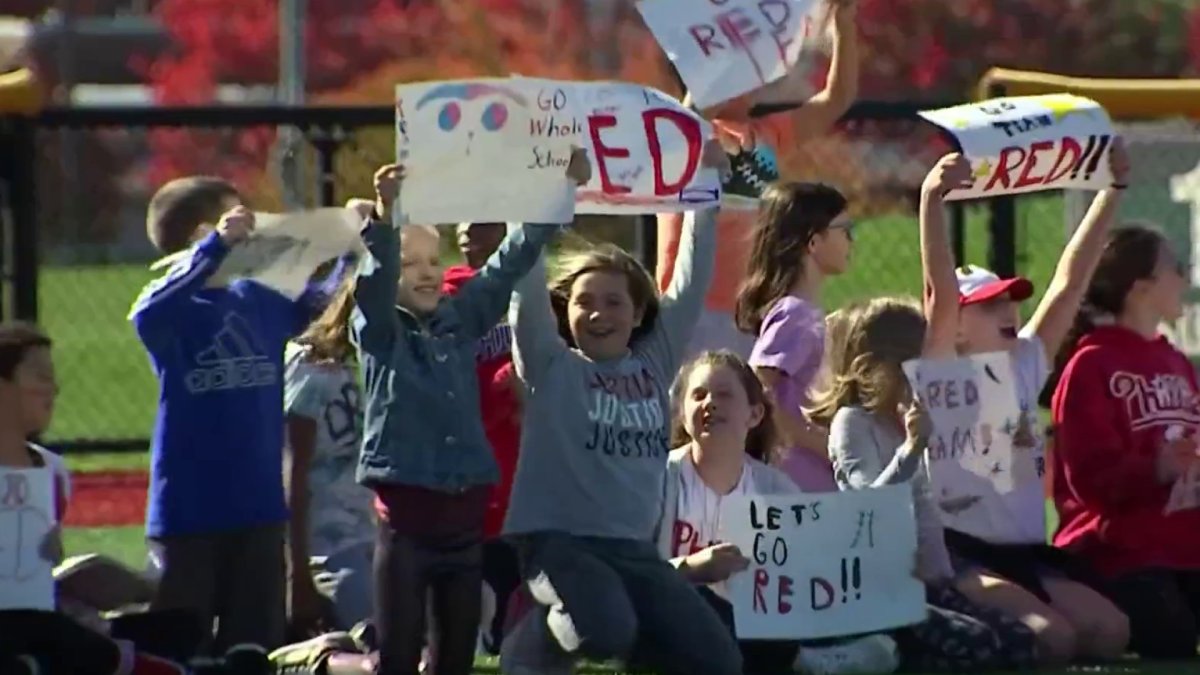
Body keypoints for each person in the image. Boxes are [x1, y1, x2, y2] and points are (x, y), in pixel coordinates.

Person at [498, 141, 742, 675]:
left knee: (717, 660)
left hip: (635, 552)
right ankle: (533, 622)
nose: (599, 312)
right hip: (558, 545)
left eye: (614, 302)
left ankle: (594, 621)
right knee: (603, 634)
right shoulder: (549, 363)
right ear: (569, 312)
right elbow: (526, 284)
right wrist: (541, 197)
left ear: (637, 315)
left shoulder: (653, 364)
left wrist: (704, 190)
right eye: (586, 301)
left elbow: (691, 278)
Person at [354, 153, 589, 675]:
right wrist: (387, 217)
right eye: (411, 265)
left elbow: (513, 256)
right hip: (408, 526)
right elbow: (372, 287)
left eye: (433, 262)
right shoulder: (381, 335)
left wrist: (560, 190)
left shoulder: (461, 317)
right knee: (397, 657)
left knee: (454, 658)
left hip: (465, 524)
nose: (427, 273)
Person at [919, 150, 1132, 665]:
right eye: (990, 303)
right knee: (1053, 638)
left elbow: (1070, 282)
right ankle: (940, 612)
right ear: (958, 323)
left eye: (1010, 299)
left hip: (1024, 554)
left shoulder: (1023, 364)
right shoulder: (942, 369)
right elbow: (939, 295)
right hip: (963, 552)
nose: (1009, 309)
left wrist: (1112, 193)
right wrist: (930, 198)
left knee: (1111, 630)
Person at [129, 176, 349, 661]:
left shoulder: (257, 298)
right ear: (205, 231)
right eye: (240, 218)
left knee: (253, 649)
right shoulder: (171, 308)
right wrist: (215, 247)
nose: (252, 230)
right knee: (183, 649)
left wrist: (359, 241)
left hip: (259, 510)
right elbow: (146, 313)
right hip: (190, 515)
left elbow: (326, 304)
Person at [812, 296, 1037, 672]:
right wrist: (912, 449)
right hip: (881, 586)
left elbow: (925, 507)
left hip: (923, 582)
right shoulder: (852, 423)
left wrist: (942, 575)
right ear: (880, 367)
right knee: (978, 646)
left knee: (1020, 644)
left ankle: (893, 652)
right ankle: (880, 651)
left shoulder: (900, 420)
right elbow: (867, 503)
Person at [658, 350, 900, 675]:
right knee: (698, 601)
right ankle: (812, 663)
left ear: (754, 414)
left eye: (724, 395)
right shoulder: (660, 479)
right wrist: (691, 567)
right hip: (682, 614)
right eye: (698, 395)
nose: (710, 403)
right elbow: (634, 569)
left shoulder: (775, 488)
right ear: (683, 414)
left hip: (768, 616)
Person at [656, 0, 859, 359]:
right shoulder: (678, 131)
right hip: (689, 309)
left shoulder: (769, 134)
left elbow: (837, 99)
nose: (751, 77)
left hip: (750, 309)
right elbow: (688, 120)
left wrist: (842, 23)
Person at [0, 321, 201, 675]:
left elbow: (40, 566)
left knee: (178, 628)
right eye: (40, 377)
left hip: (37, 618)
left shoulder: (52, 471)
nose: (54, 389)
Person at [1045, 224, 1200, 660]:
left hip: (1185, 540)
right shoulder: (1090, 364)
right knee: (1171, 638)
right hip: (1119, 549)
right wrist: (1156, 469)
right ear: (1141, 287)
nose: (1185, 280)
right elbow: (1088, 480)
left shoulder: (1174, 361)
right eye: (1177, 268)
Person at [736, 182, 854, 492]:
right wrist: (830, 447)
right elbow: (757, 393)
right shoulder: (796, 315)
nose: (851, 241)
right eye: (844, 230)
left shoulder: (805, 314)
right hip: (798, 488)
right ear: (813, 242)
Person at [442, 221, 524, 653]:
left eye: (484, 211)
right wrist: (502, 379)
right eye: (461, 213)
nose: (468, 225)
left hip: (525, 483)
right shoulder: (444, 298)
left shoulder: (534, 294)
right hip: (472, 485)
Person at [283, 274, 374, 638]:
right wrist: (298, 572)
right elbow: (295, 469)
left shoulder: (348, 362)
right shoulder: (309, 367)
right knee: (380, 632)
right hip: (328, 546)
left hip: (364, 532)